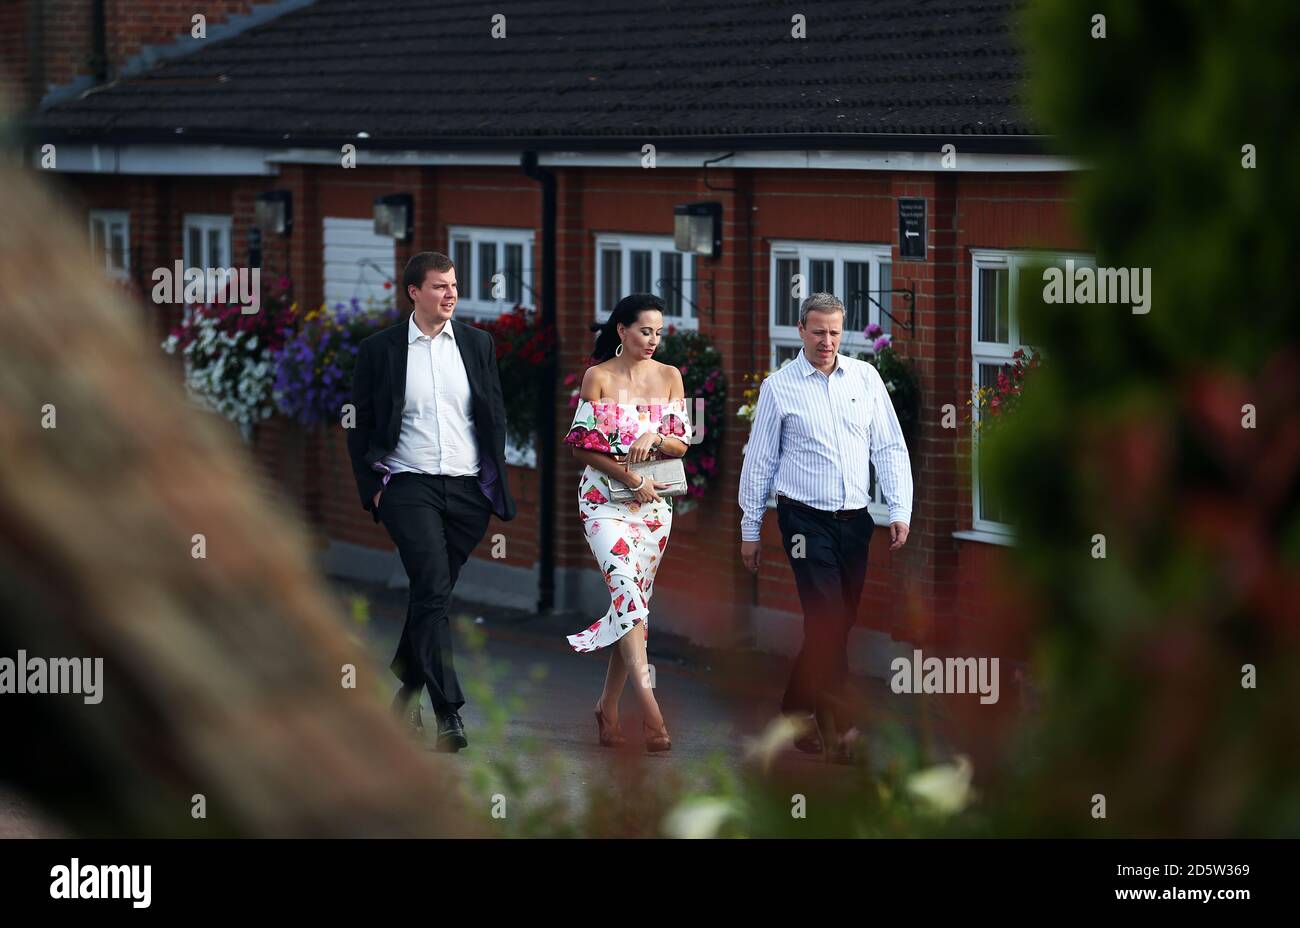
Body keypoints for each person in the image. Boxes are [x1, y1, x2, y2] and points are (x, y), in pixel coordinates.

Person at [347, 251, 516, 752]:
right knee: (434, 587)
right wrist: (372, 486)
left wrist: (492, 477)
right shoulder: (380, 350)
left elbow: (494, 414)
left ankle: (407, 693)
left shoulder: (476, 344)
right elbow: (357, 423)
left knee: (431, 595)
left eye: (454, 284)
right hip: (408, 485)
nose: (451, 294)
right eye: (440, 286)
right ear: (413, 292)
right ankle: (449, 714)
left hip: (467, 490)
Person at [737, 292, 913, 762]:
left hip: (855, 521)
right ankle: (843, 725)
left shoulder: (866, 379)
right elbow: (758, 462)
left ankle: (795, 710)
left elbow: (890, 448)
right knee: (828, 619)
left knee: (835, 623)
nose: (827, 341)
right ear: (801, 330)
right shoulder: (780, 388)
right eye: (818, 332)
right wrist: (750, 529)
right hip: (802, 521)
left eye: (835, 332)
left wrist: (899, 510)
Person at [563, 294, 692, 753]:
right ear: (621, 330)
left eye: (659, 332)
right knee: (626, 591)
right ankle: (651, 710)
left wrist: (654, 434)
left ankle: (607, 706)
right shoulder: (597, 377)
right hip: (603, 502)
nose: (653, 340)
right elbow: (580, 447)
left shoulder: (671, 376)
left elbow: (682, 444)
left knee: (632, 605)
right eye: (644, 331)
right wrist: (629, 476)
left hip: (655, 508)